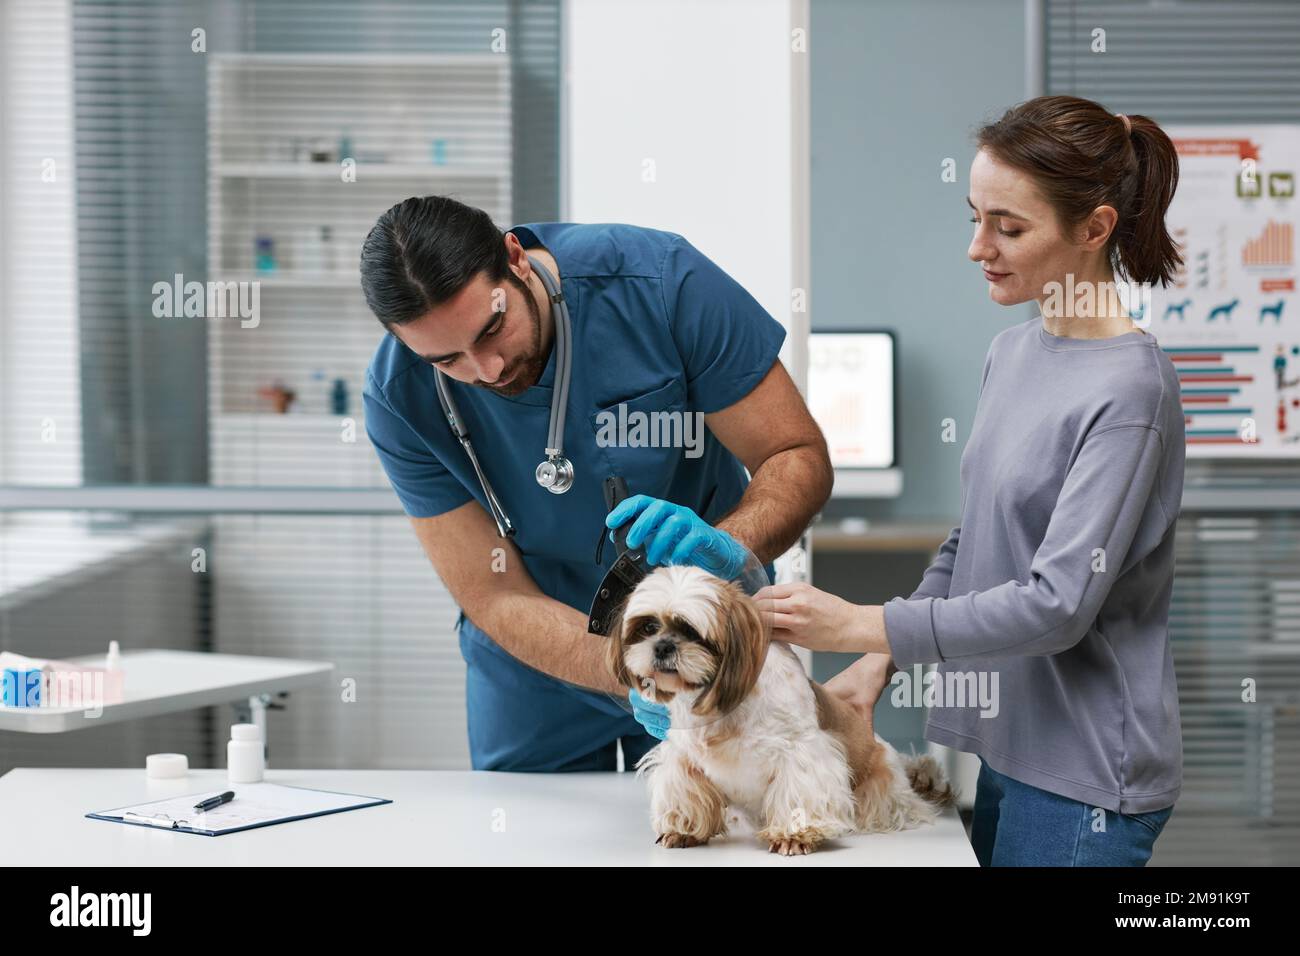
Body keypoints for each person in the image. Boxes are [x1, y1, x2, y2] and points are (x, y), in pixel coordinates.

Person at [754, 95, 1187, 866]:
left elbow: (1058, 606)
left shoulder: (1131, 390)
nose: (977, 247)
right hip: (1009, 747)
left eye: (1008, 228)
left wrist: (862, 624)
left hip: (1085, 776)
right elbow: (975, 540)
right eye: (974, 216)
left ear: (1093, 229)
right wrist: (883, 657)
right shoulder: (1013, 353)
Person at [358, 197, 834, 771]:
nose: (487, 370)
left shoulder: (660, 283)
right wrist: (623, 668)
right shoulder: (397, 396)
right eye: (447, 360)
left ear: (516, 258)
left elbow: (794, 453)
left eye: (492, 329)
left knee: (731, 835)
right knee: (531, 841)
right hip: (535, 661)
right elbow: (494, 592)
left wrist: (730, 544)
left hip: (704, 638)